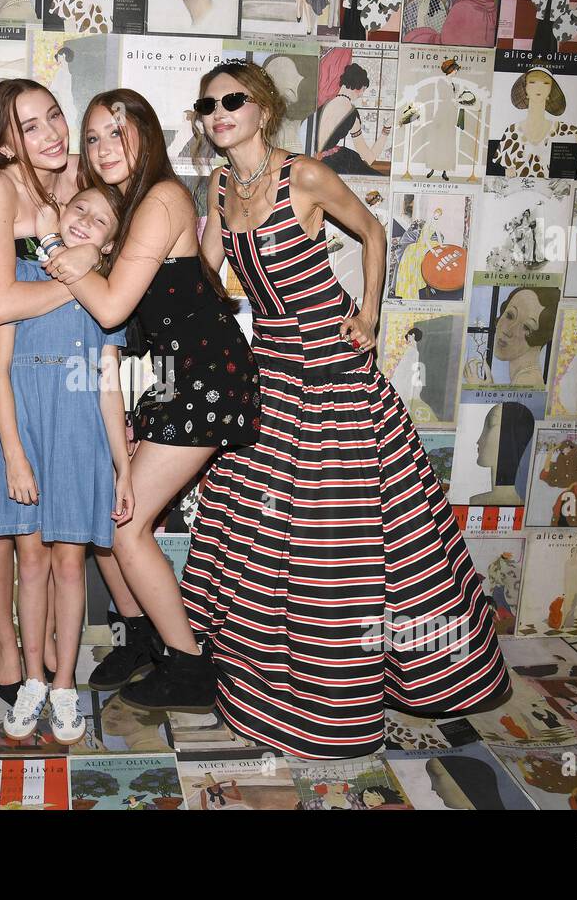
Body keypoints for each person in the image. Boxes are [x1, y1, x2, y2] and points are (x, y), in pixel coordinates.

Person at [176, 60, 511, 758]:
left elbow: (375, 233)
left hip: (330, 370)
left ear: (262, 109)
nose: (219, 113)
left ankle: (349, 689)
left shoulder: (305, 175)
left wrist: (368, 313)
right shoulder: (220, 184)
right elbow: (206, 264)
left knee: (341, 536)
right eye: (208, 105)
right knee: (264, 532)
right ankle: (262, 684)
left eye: (232, 99)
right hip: (268, 366)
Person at [38, 88, 259, 712]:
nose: (104, 148)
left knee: (126, 527)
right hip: (174, 381)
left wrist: (67, 257)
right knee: (118, 512)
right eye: (95, 138)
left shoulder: (162, 199)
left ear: (149, 136)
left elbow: (109, 306)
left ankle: (190, 668)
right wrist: (87, 250)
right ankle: (145, 640)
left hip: (205, 381)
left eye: (118, 132)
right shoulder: (134, 207)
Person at [0, 182, 129, 745]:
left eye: (101, 222)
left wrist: (123, 466)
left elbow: (110, 385)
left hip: (79, 438)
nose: (86, 220)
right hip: (28, 437)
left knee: (70, 566)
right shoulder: (14, 276)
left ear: (111, 244)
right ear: (59, 211)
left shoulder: (105, 293)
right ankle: (34, 679)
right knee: (32, 563)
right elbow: (0, 371)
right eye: (80, 208)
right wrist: (14, 456)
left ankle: (65, 682)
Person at [0, 79, 84, 705]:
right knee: (2, 519)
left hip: (62, 364)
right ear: (6, 142)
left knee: (59, 522)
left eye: (54, 115)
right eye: (29, 126)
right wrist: (79, 282)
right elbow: (0, 299)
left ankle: (57, 656)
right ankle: (7, 647)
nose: (51, 132)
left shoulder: (77, 179)